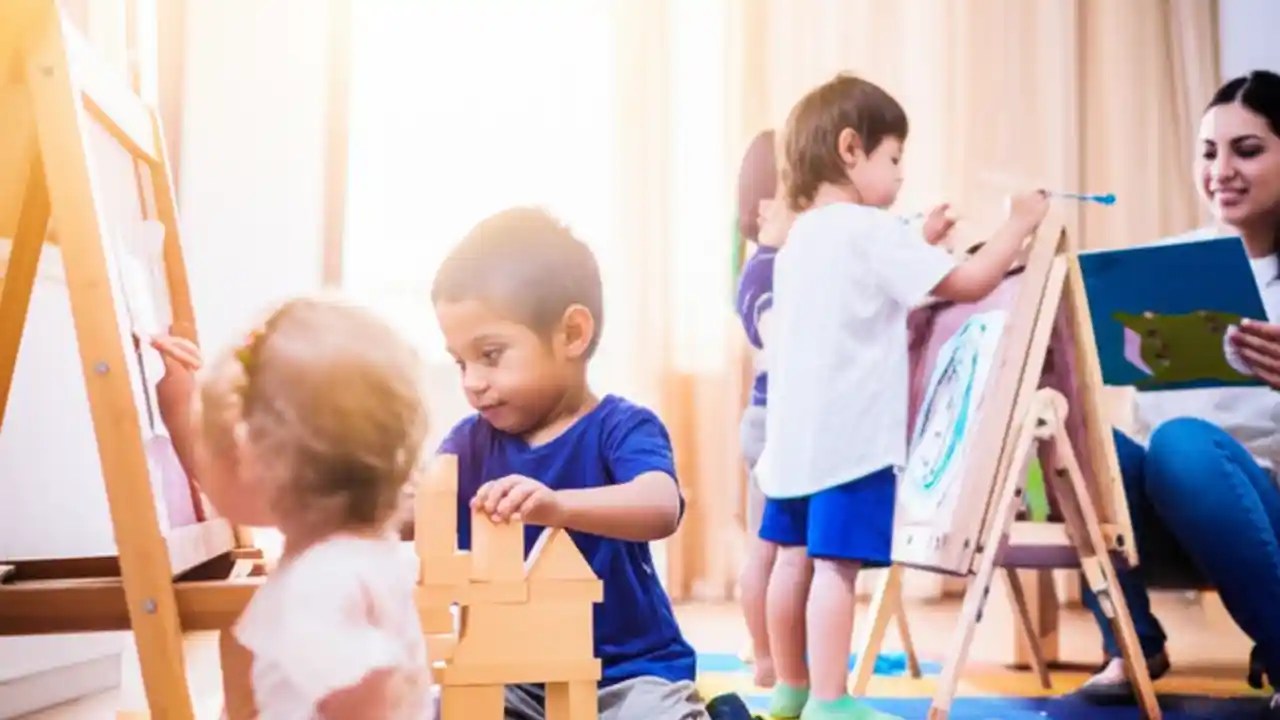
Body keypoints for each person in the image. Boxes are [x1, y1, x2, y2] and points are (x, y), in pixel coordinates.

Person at [757, 72, 1050, 719]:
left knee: (789, 561)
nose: (899, 179)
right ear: (851, 149)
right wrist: (1018, 225)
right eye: (894, 159)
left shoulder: (800, 239)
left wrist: (919, 238)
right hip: (849, 444)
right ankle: (831, 703)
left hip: (792, 447)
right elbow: (972, 281)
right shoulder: (870, 230)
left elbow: (860, 288)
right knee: (834, 569)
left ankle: (789, 690)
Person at [428, 207, 708, 720]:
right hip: (511, 673)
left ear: (573, 334)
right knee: (444, 704)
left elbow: (660, 505)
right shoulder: (469, 443)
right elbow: (419, 506)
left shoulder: (621, 427)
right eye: (459, 361)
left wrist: (557, 506)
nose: (471, 381)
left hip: (627, 671)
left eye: (490, 355)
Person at [1074, 69, 1280, 716]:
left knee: (1184, 445)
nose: (1222, 169)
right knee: (1082, 437)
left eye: (1247, 150)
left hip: (1262, 508)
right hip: (1172, 498)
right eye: (1209, 151)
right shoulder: (1169, 262)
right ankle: (1132, 645)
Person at [191, 296, 435, 719]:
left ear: (247, 452)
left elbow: (364, 699)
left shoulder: (319, 580)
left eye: (204, 445)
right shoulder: (354, 558)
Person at [734, 128, 798, 688]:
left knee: (770, 547)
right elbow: (780, 346)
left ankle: (769, 655)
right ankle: (765, 656)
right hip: (774, 423)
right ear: (764, 208)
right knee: (767, 549)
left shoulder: (773, 264)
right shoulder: (767, 269)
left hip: (770, 421)